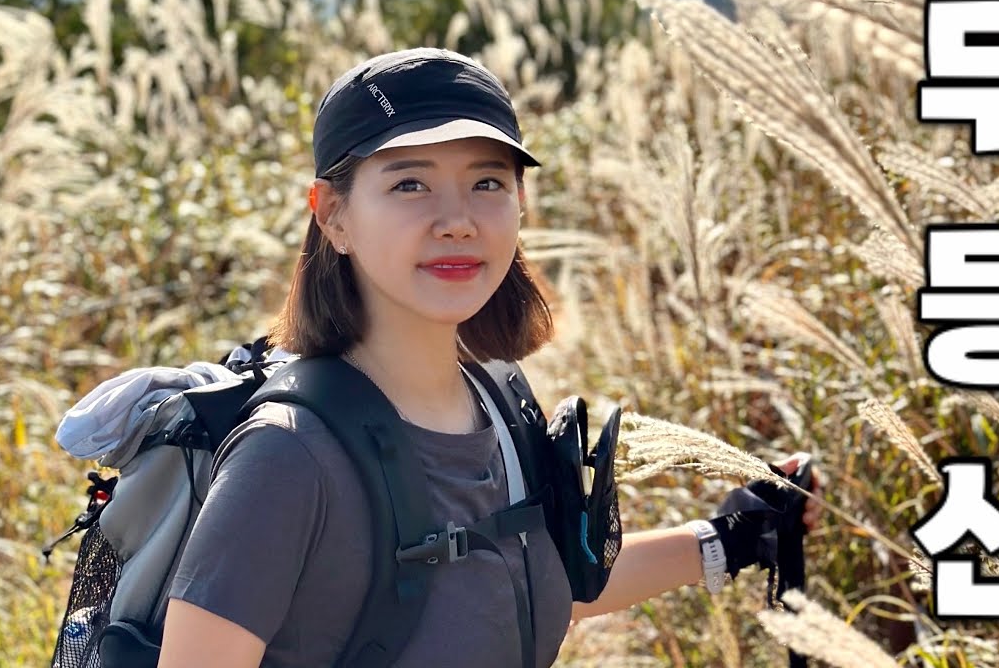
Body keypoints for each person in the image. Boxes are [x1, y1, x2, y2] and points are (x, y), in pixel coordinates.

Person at [156, 47, 822, 668]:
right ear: (333, 215)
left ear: (521, 203)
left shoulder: (501, 405)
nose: (458, 221)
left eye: (487, 182)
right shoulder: (288, 455)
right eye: (410, 184)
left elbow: (541, 584)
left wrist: (732, 535)